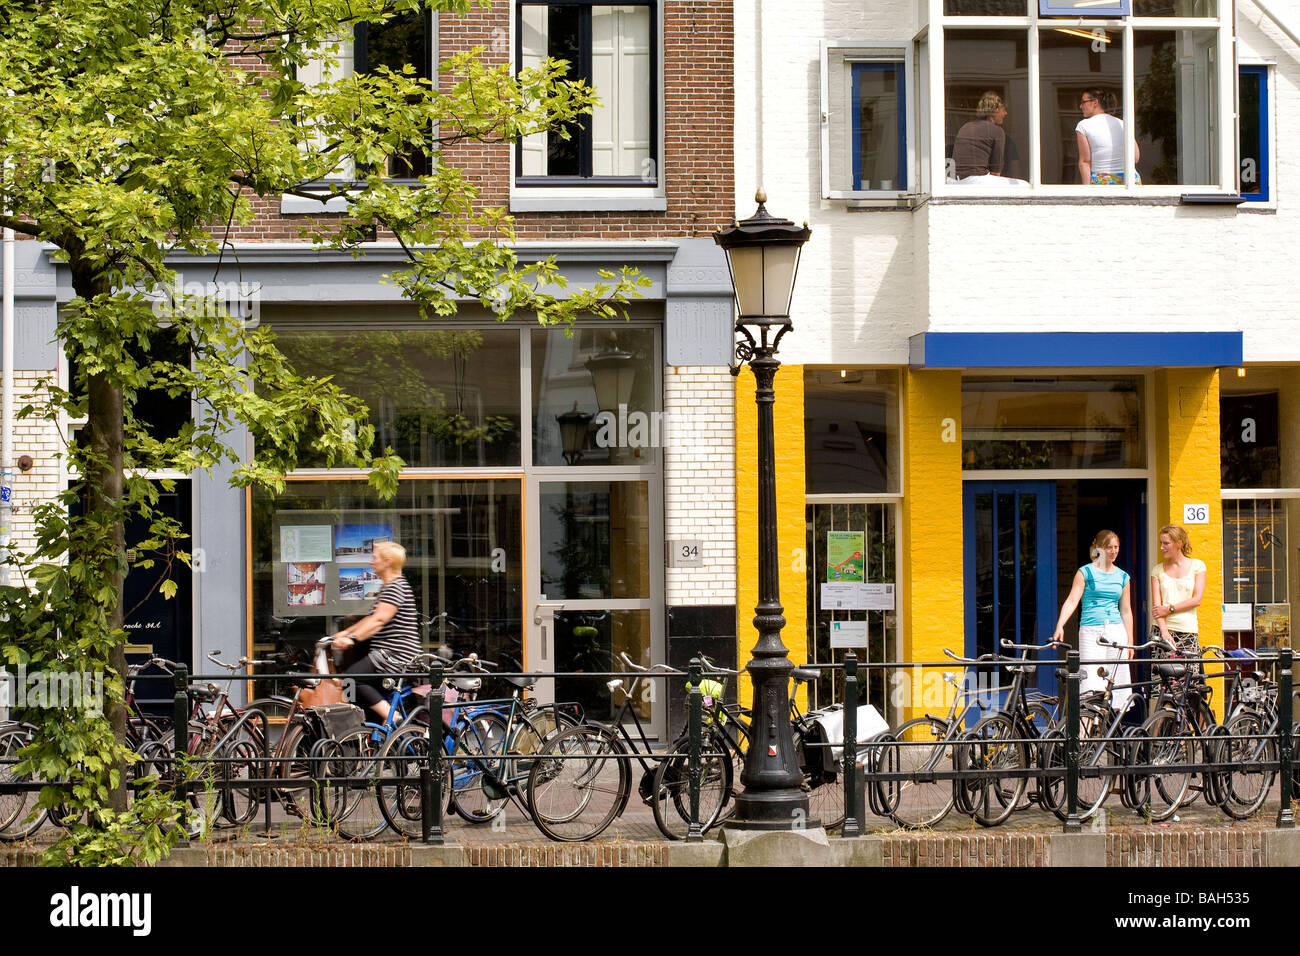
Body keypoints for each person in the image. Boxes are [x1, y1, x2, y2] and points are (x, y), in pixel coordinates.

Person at [332, 541, 421, 723]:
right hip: (388, 655)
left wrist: (352, 639)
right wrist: (345, 633)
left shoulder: (396, 587)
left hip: (395, 655)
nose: (371, 562)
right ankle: (373, 729)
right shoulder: (389, 587)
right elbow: (370, 618)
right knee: (357, 693)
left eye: (375, 558)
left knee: (351, 680)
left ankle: (393, 716)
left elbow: (379, 620)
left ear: (387, 562)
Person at [1052, 529, 1134, 709]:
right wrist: (1060, 624)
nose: (1114, 551)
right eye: (1109, 547)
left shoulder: (1122, 576)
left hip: (1116, 630)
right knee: (1090, 682)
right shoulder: (1085, 572)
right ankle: (1087, 725)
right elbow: (1072, 600)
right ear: (1099, 548)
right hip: (1091, 631)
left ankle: (1112, 725)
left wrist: (1130, 640)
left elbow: (1126, 611)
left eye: (1116, 547)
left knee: (1116, 681)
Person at [1150, 524, 1207, 678]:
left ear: (1179, 543)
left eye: (1166, 543)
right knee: (1161, 683)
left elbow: (1197, 599)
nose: (1161, 547)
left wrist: (1169, 609)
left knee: (1188, 682)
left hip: (1187, 631)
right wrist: (1164, 632)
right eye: (1161, 543)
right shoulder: (1157, 570)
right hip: (1162, 632)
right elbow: (1156, 607)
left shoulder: (1197, 566)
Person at [950, 92, 1027, 186]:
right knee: (1024, 186)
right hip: (977, 180)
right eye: (1003, 110)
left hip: (957, 180)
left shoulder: (966, 126)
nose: (1005, 113)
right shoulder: (997, 131)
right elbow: (996, 172)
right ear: (994, 111)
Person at [1076, 88, 1141, 185]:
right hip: (1130, 180)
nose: (1080, 106)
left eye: (1083, 102)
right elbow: (1135, 157)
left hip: (1103, 181)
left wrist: (1086, 190)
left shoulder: (1083, 125)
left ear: (1095, 103)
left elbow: (1085, 162)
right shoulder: (1122, 123)